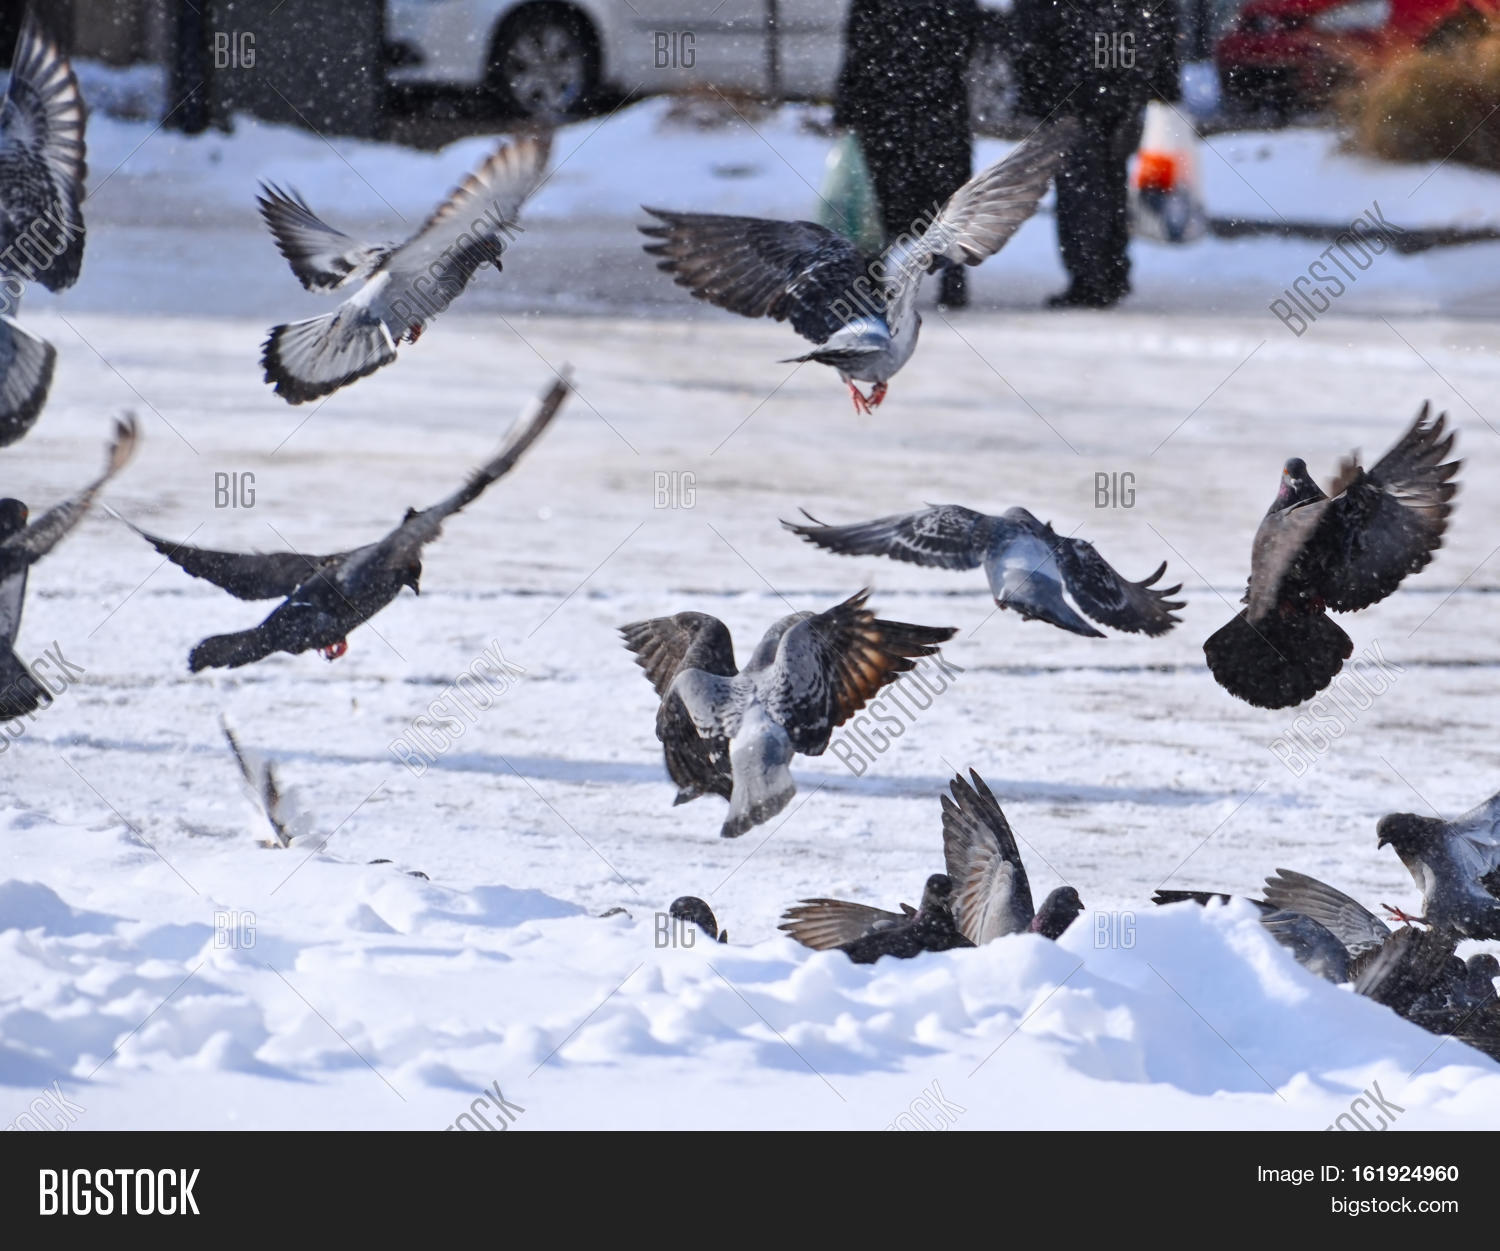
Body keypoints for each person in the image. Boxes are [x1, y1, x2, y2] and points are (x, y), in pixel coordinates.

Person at [1011, 0, 1180, 307]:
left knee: (1082, 188)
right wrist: (1161, 83)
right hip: (1123, 84)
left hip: (1076, 87)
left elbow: (1037, 28)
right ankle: (1111, 271)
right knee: (1110, 181)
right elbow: (1160, 22)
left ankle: (1090, 277)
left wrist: (1035, 87)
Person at [835, 0, 984, 307]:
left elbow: (857, 45)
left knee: (885, 198)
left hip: (884, 105)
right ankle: (951, 279)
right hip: (937, 103)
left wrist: (847, 104)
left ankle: (874, 279)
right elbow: (967, 39)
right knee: (946, 197)